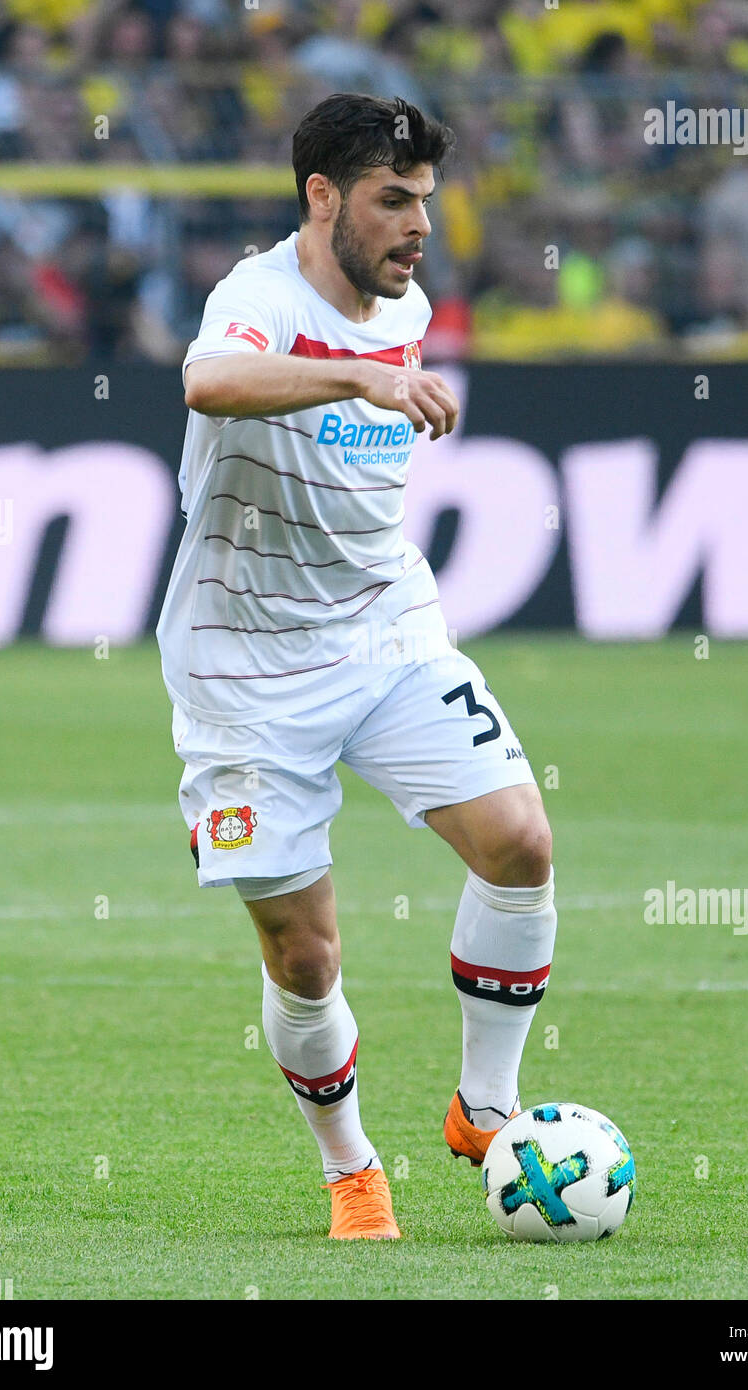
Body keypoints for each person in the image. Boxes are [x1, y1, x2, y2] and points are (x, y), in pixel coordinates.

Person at [156, 92, 556, 1239]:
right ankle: (350, 1167)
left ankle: (487, 1106)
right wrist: (362, 377)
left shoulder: (405, 300)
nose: (417, 225)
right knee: (304, 952)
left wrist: (378, 369)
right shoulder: (257, 296)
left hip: (383, 630)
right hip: (241, 669)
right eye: (393, 200)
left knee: (521, 840)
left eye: (425, 201)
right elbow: (208, 383)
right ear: (321, 197)